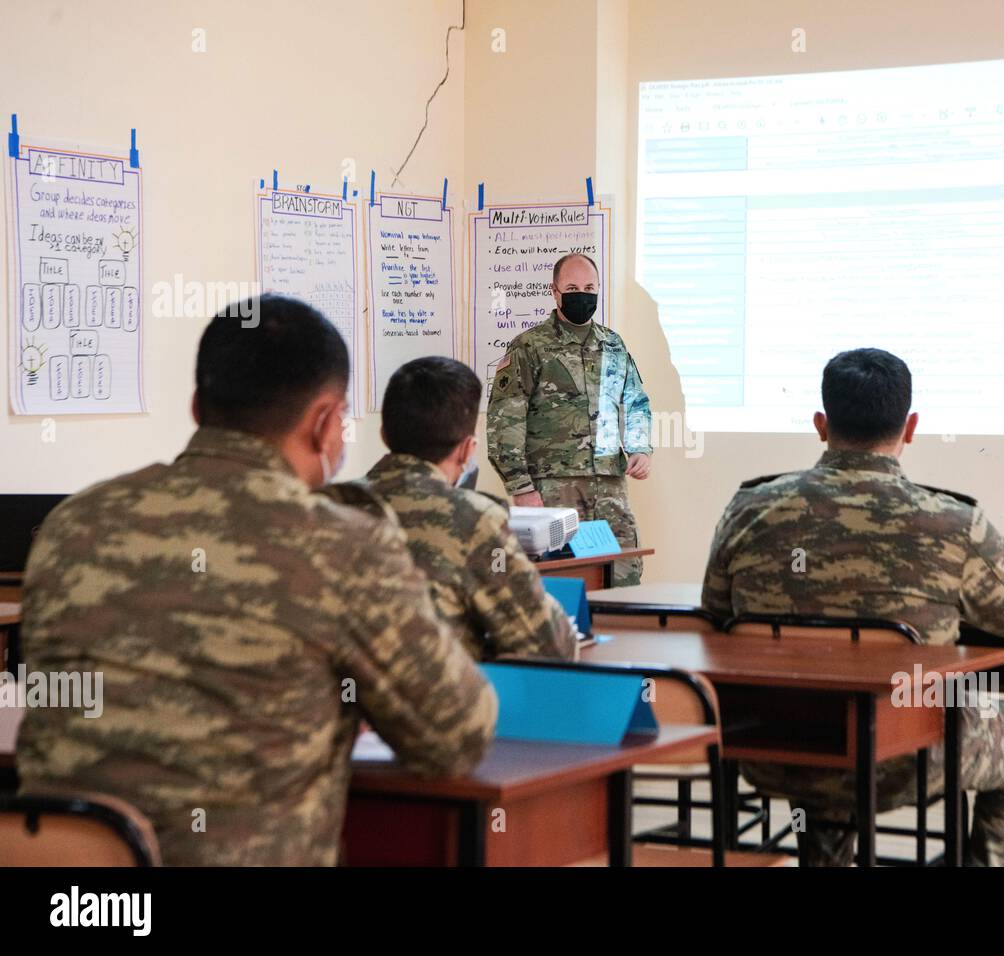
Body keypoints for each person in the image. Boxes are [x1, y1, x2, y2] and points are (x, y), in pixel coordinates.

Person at [16, 294, 497, 866]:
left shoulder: (73, 523)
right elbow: (457, 735)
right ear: (325, 424)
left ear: (197, 407)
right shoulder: (340, 542)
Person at [702, 347, 1004, 866]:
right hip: (909, 757)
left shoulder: (750, 508)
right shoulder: (953, 523)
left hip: (775, 748)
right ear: (910, 427)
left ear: (821, 424)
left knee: (825, 714)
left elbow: (715, 616)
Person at [328, 356, 578, 661]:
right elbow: (550, 646)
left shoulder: (328, 504)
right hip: (441, 699)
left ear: (383, 434)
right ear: (467, 450)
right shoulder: (474, 518)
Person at [486, 252, 652, 586]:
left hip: (609, 486)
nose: (583, 293)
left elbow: (636, 401)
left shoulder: (613, 345)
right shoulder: (529, 347)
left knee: (622, 576)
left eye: (590, 287)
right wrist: (520, 488)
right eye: (573, 286)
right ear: (555, 291)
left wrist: (640, 448)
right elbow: (505, 421)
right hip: (551, 491)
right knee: (558, 581)